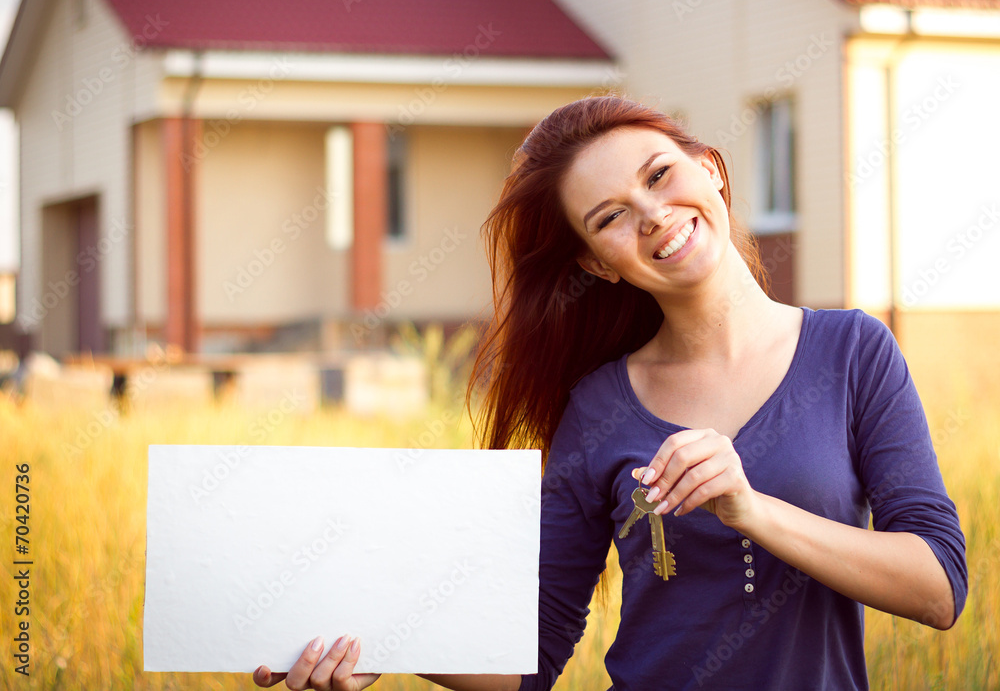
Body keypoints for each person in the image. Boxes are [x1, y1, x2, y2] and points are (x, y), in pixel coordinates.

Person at [252, 96, 967, 690]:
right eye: (611, 217)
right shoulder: (598, 406)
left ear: (711, 171)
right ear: (599, 264)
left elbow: (938, 588)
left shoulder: (852, 352)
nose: (652, 214)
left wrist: (751, 509)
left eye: (659, 176)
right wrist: (382, 641)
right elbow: (533, 658)